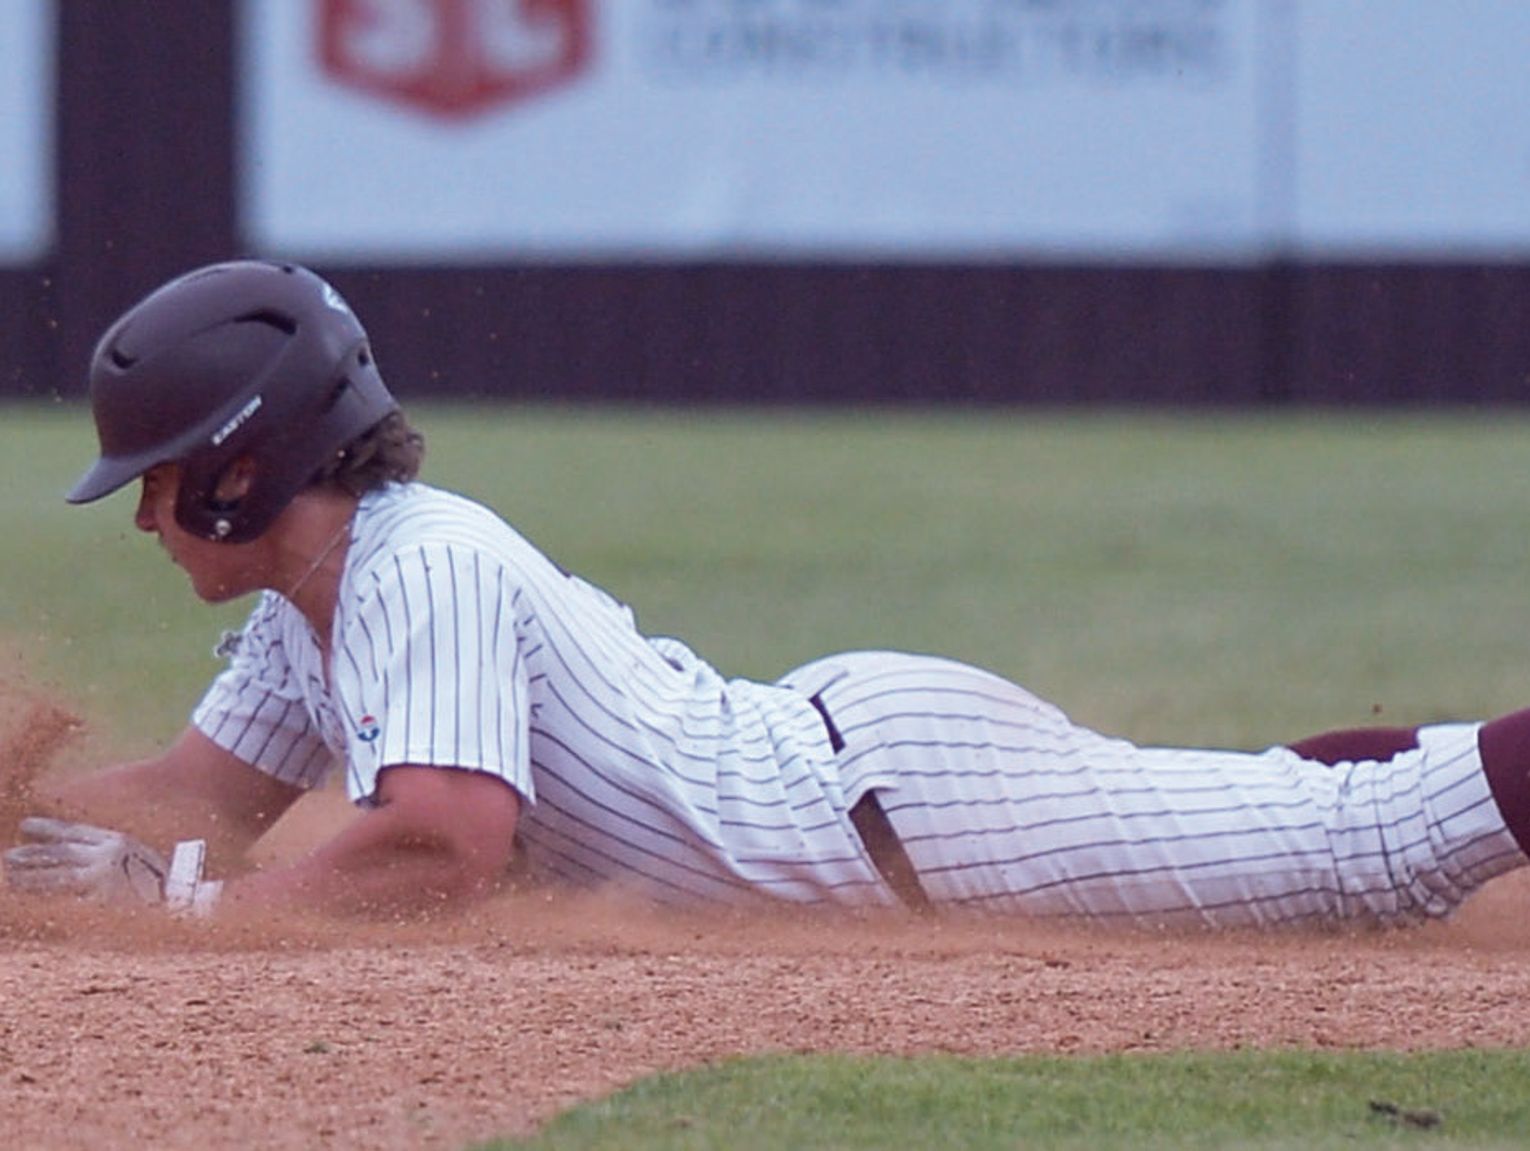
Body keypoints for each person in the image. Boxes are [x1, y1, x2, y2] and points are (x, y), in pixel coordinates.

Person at [7, 259, 1530, 927]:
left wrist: (184, 914)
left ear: (245, 467)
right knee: (1292, 817)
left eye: (152, 476)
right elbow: (197, 801)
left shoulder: (423, 567)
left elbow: (443, 841)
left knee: (1370, 856)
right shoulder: (318, 597)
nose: (142, 515)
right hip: (870, 778)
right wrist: (32, 829)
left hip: (912, 825)